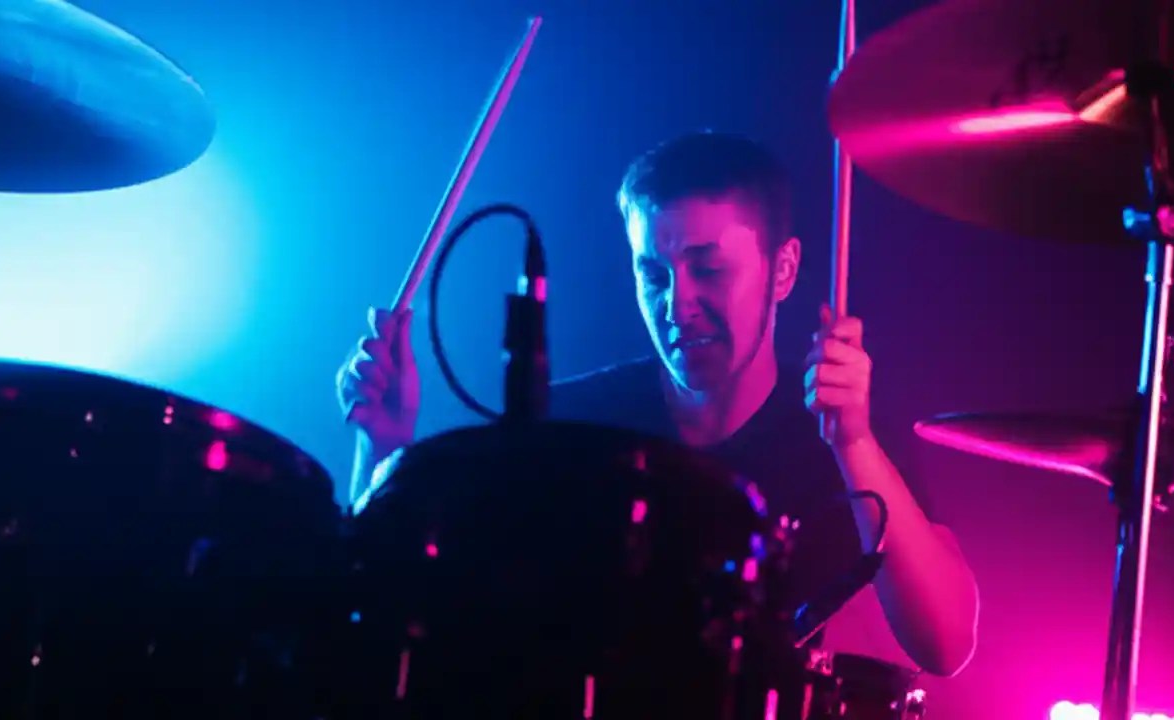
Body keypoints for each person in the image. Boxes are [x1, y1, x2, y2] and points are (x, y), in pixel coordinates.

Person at [334, 130, 979, 677]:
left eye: (709, 269)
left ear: (782, 271)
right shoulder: (570, 430)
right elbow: (396, 615)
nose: (678, 304)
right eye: (654, 274)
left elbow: (946, 644)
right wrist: (383, 448)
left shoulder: (846, 434)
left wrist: (855, 446)